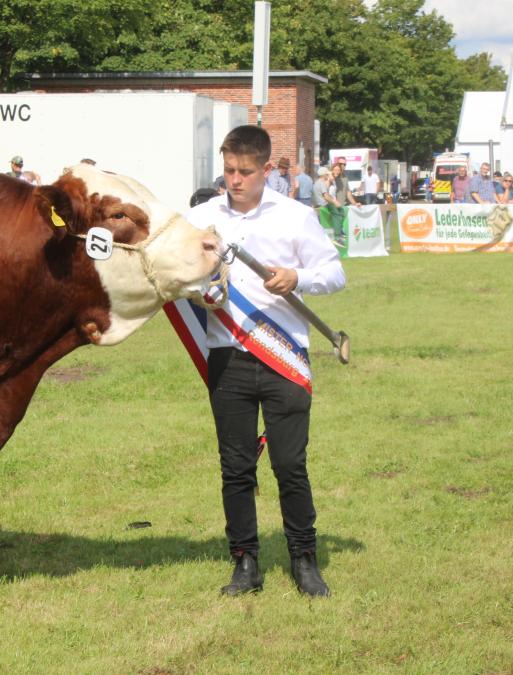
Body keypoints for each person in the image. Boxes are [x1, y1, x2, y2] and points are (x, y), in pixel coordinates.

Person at [185, 125, 345, 598]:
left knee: (290, 464)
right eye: (229, 170)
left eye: (245, 172)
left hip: (284, 357)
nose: (235, 180)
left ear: (267, 170)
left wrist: (298, 277)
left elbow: (335, 274)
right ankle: (245, 562)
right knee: (236, 467)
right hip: (227, 356)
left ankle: (304, 559)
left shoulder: (295, 216)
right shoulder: (201, 217)